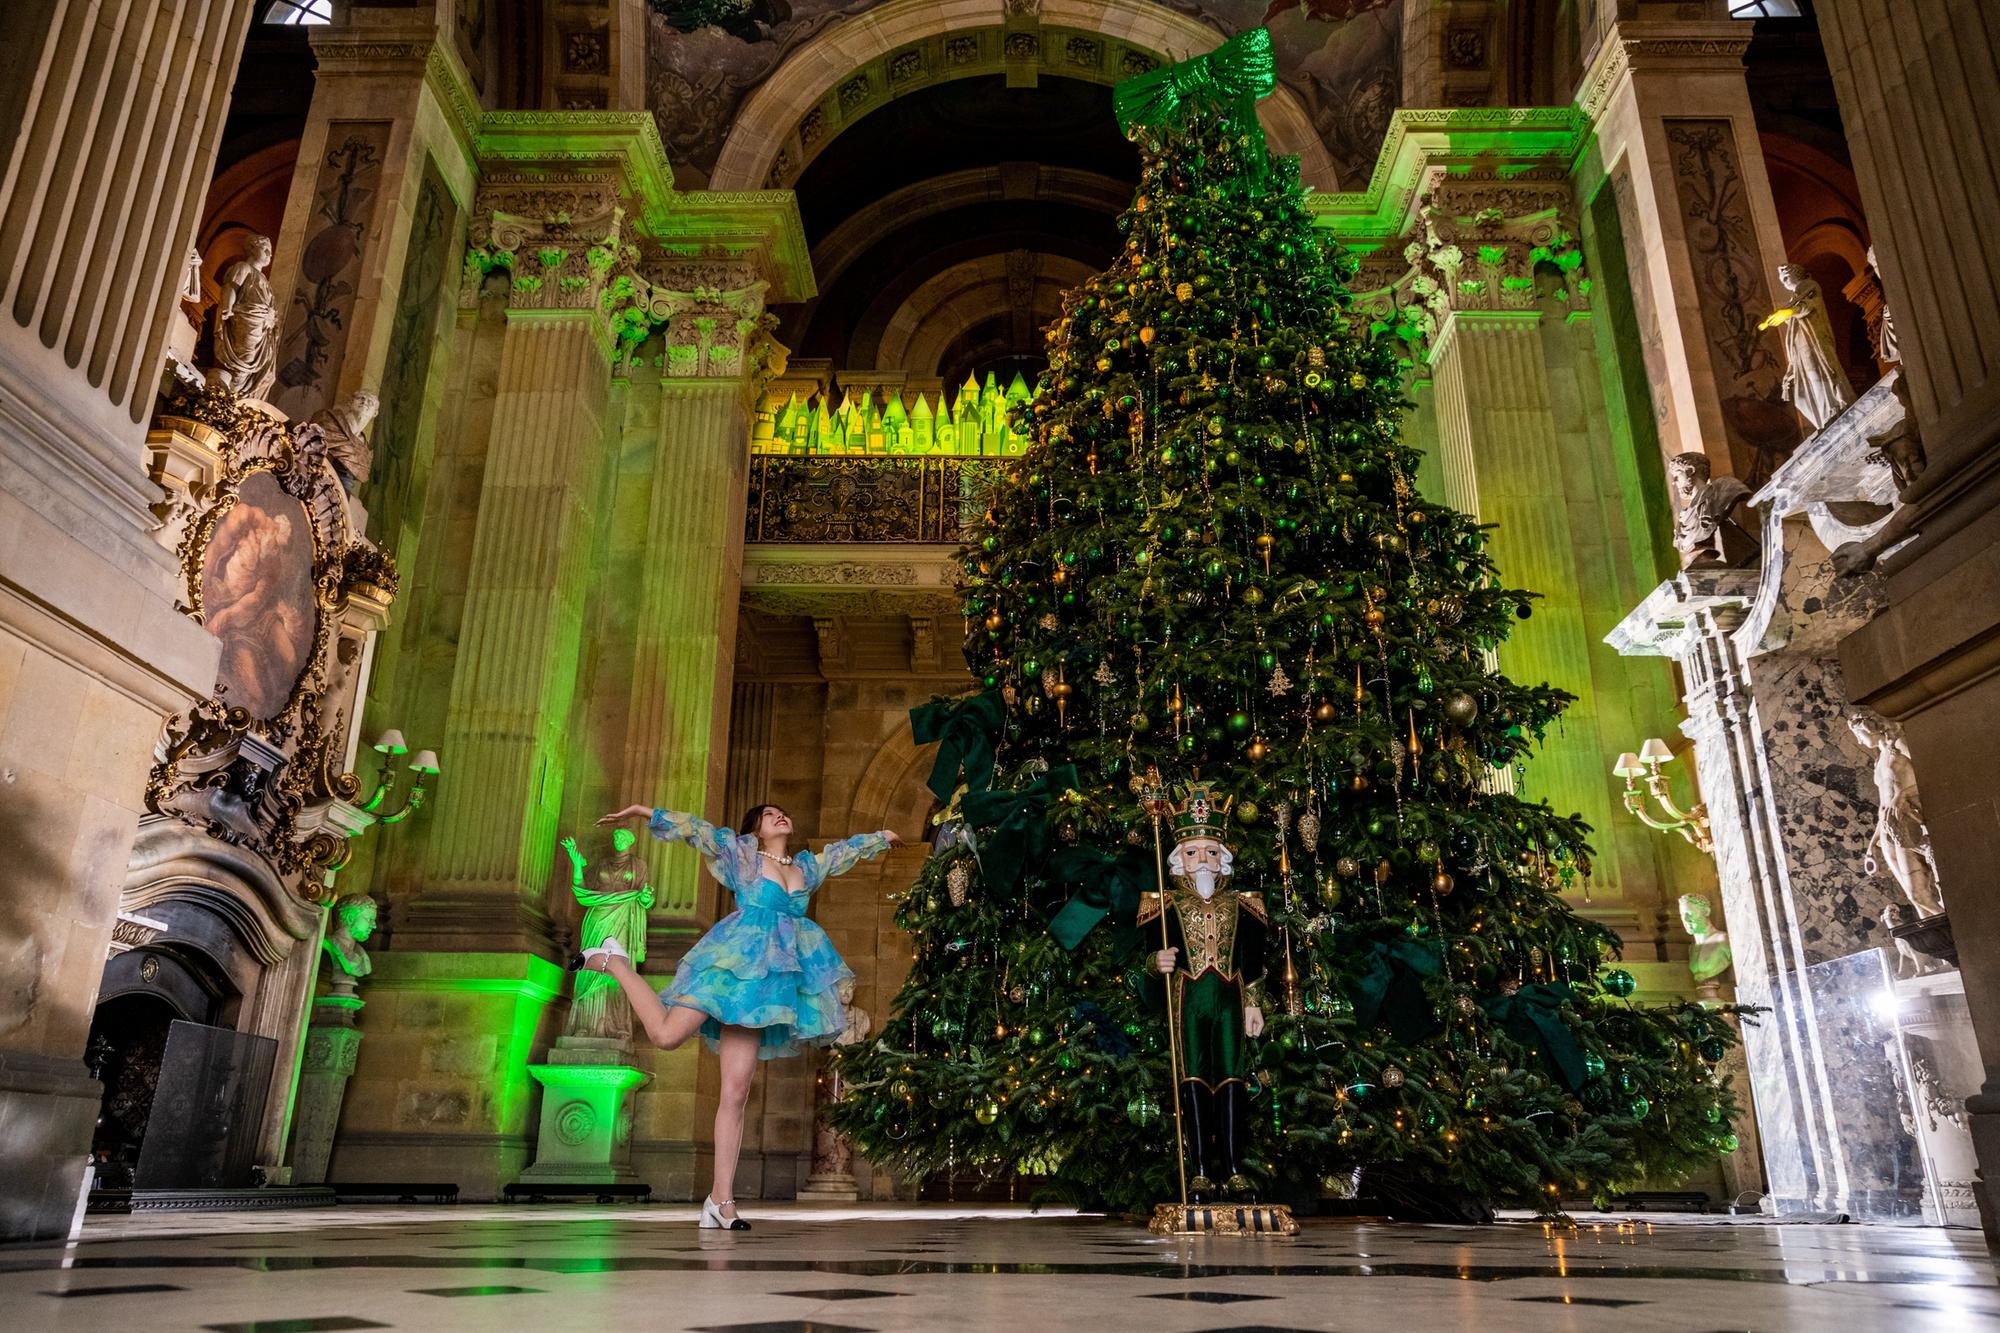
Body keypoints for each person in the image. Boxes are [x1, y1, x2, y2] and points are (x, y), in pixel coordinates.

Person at [584, 802, 900, 1229]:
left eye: (783, 812)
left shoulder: (806, 867)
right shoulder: (742, 853)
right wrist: (644, 811)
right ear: (756, 829)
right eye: (769, 814)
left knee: (735, 1093)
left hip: (763, 989)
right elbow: (698, 831)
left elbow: (842, 852)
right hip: (730, 966)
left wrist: (882, 838)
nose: (780, 816)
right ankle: (616, 963)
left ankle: (721, 1200)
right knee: (665, 1035)